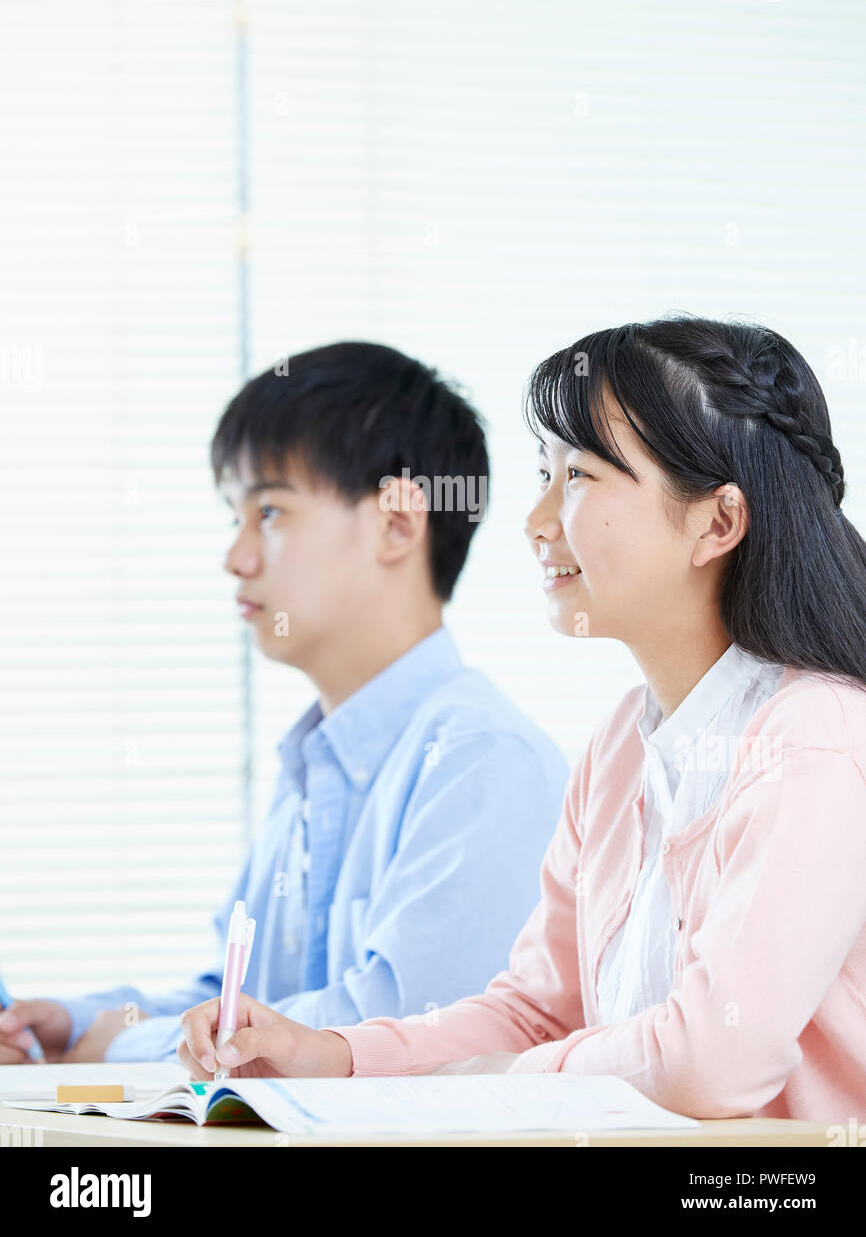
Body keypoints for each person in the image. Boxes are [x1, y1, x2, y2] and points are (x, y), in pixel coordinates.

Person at [178, 315, 866, 1122]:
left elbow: (710, 1063)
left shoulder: (812, 738)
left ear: (717, 522)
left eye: (579, 476)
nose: (538, 519)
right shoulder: (621, 749)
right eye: (546, 473)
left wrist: (495, 1078)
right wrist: (336, 1056)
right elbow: (535, 1013)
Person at [0, 342, 568, 1065]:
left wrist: (123, 1045)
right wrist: (75, 1026)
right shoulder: (314, 763)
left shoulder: (483, 763)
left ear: (398, 523)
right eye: (234, 515)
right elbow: (235, 995)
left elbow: (392, 1030)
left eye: (268, 510)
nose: (235, 557)